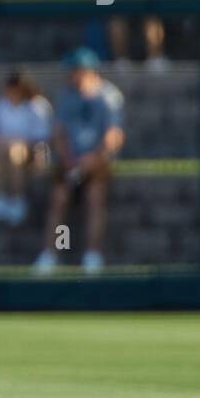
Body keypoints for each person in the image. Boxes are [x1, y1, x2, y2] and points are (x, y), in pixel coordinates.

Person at [32, 48, 125, 275]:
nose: (70, 75)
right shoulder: (67, 95)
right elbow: (59, 132)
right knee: (59, 197)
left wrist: (91, 160)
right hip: (70, 163)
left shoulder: (109, 96)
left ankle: (92, 256)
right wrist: (69, 160)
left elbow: (113, 136)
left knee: (95, 197)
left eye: (74, 70)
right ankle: (50, 254)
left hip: (97, 162)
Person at [0, 71, 52, 226]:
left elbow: (42, 137)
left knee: (14, 150)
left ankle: (18, 199)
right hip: (4, 149)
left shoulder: (38, 106)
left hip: (32, 151)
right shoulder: (0, 104)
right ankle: (1, 196)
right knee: (1, 146)